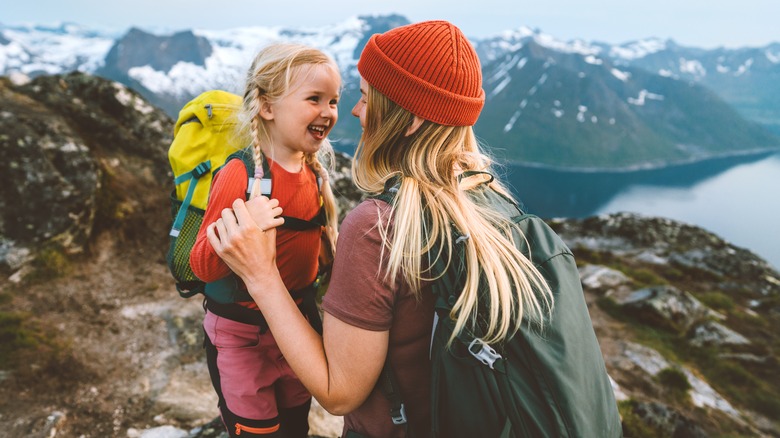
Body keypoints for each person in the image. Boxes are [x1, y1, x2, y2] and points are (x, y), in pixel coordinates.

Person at [206, 21, 555, 437]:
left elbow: (339, 395)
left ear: (405, 121)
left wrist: (261, 275)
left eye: (365, 99)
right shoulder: (492, 202)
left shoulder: (378, 226)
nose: (353, 111)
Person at [189, 42, 341, 437]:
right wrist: (244, 225)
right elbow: (202, 264)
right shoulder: (241, 177)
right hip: (243, 337)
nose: (328, 112)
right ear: (267, 107)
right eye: (314, 99)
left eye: (334, 101)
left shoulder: (315, 176)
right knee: (255, 430)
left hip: (296, 329)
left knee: (295, 425)